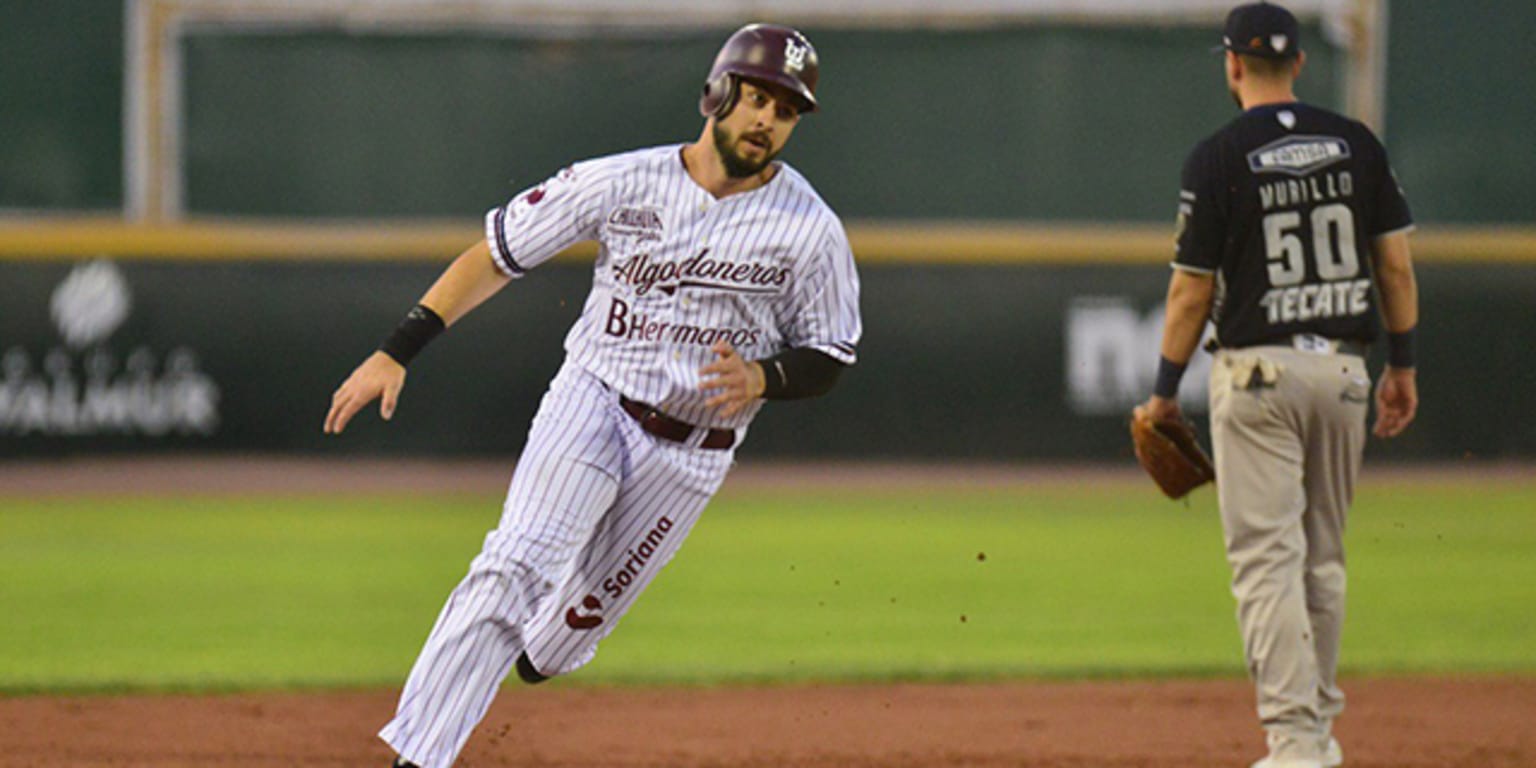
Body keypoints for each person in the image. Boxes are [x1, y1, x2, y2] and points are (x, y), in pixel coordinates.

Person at [322, 23, 861, 768]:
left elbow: (832, 353)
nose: (768, 119)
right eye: (758, 97)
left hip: (692, 455)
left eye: (788, 109)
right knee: (513, 566)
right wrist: (395, 350)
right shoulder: (623, 181)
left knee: (562, 639)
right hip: (595, 402)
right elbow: (498, 255)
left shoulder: (809, 229)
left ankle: (545, 645)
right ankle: (417, 758)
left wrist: (765, 378)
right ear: (719, 92)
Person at [1136, 3, 1418, 767]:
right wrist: (1404, 365)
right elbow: (1393, 266)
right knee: (1322, 558)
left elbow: (1191, 292)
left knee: (1267, 560)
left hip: (1258, 374)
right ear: (1298, 64)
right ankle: (1317, 737)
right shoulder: (1358, 143)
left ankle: (1295, 743)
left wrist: (1164, 390)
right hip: (1342, 371)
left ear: (1231, 65)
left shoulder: (1218, 156)